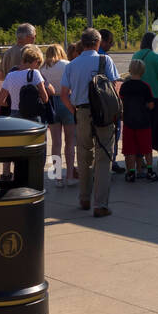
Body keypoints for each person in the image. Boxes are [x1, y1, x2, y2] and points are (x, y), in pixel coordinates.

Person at [61, 28, 119, 217]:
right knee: (104, 157)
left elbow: (63, 94)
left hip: (82, 112)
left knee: (84, 156)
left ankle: (84, 198)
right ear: (98, 42)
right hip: (103, 113)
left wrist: (75, 111)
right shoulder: (105, 60)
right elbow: (112, 87)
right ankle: (100, 204)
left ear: (82, 42)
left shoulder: (71, 65)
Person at [131, 31, 158, 167]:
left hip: (138, 98)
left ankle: (140, 158)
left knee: (141, 127)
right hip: (156, 97)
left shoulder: (136, 55)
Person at [41, 43, 78, 185]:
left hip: (50, 103)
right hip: (66, 100)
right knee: (69, 142)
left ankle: (57, 176)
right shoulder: (67, 64)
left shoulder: (43, 67)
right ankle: (69, 175)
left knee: (55, 142)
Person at [119, 58, 158, 182]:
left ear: (130, 70)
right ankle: (150, 170)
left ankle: (131, 172)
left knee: (129, 149)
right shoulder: (145, 87)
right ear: (143, 72)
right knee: (146, 147)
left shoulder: (124, 86)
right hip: (144, 121)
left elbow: (120, 101)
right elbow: (151, 105)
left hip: (129, 121)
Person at [0, 45, 52, 120]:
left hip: (15, 113)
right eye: (38, 64)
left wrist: (12, 104)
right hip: (32, 113)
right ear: (36, 61)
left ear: (23, 60)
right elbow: (45, 98)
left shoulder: (10, 75)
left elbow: (0, 101)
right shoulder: (35, 73)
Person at [99, 28, 124, 174]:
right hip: (106, 102)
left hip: (86, 103)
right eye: (110, 42)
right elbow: (114, 82)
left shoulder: (79, 57)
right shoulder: (105, 59)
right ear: (101, 41)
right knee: (113, 131)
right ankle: (111, 160)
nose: (111, 45)